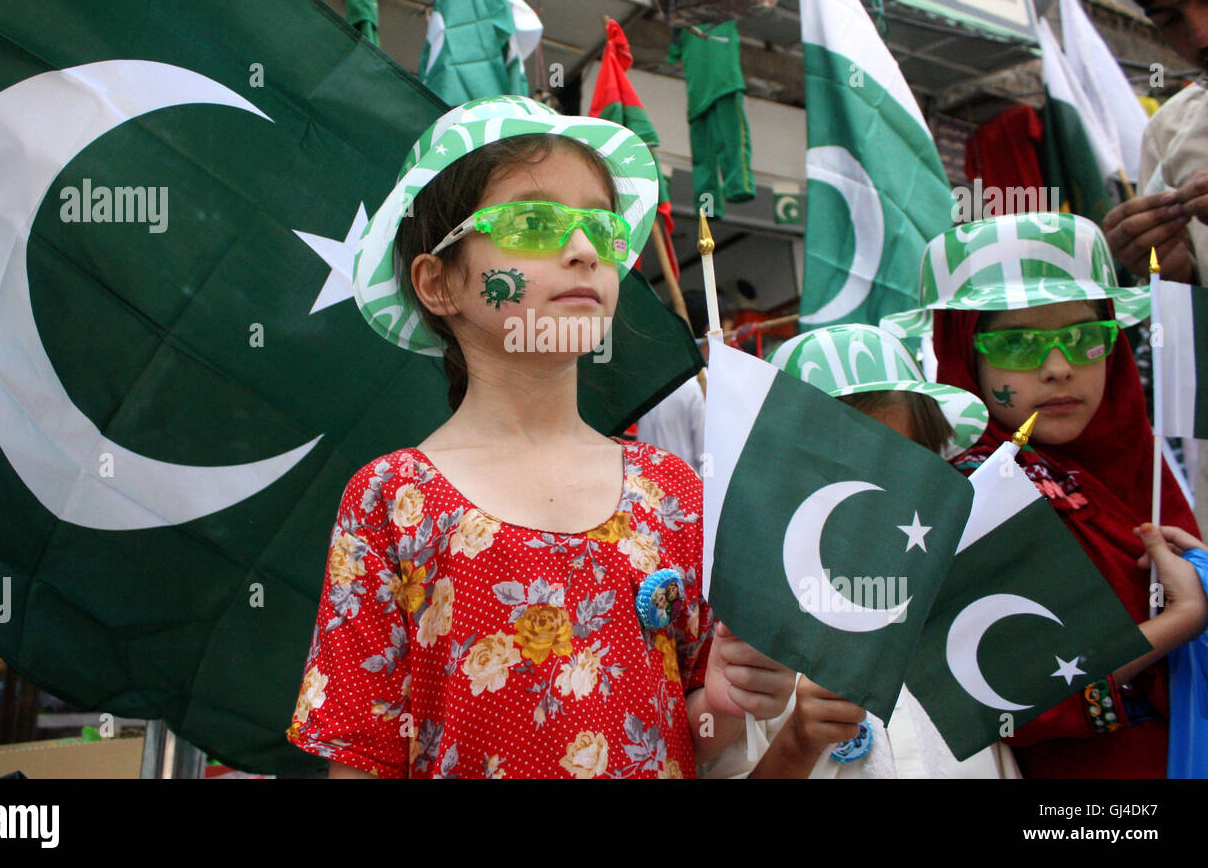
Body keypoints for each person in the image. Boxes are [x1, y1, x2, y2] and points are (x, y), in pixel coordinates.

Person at [286, 95, 792, 778]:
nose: (584, 250)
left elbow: (697, 740)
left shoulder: (674, 493)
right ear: (439, 283)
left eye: (603, 228)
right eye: (533, 222)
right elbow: (361, 757)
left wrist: (727, 704)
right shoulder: (390, 499)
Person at [884, 212, 1208, 778]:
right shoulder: (966, 498)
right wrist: (1181, 618)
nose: (1058, 368)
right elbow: (1006, 701)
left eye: (1084, 338)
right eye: (1016, 343)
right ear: (965, 352)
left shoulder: (1137, 464)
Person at [702, 324, 1019, 778]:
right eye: (838, 467)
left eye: (902, 461)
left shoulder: (965, 618)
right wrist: (798, 740)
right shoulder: (749, 649)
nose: (873, 494)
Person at [1102, 0, 1208, 286]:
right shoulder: (1167, 134)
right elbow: (1175, 321)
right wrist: (1165, 267)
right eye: (1171, 21)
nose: (1200, 34)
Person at [635, 289, 730, 475]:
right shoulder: (702, 383)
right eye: (726, 332)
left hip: (653, 495)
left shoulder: (653, 381)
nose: (729, 341)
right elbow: (710, 460)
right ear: (710, 331)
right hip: (694, 497)